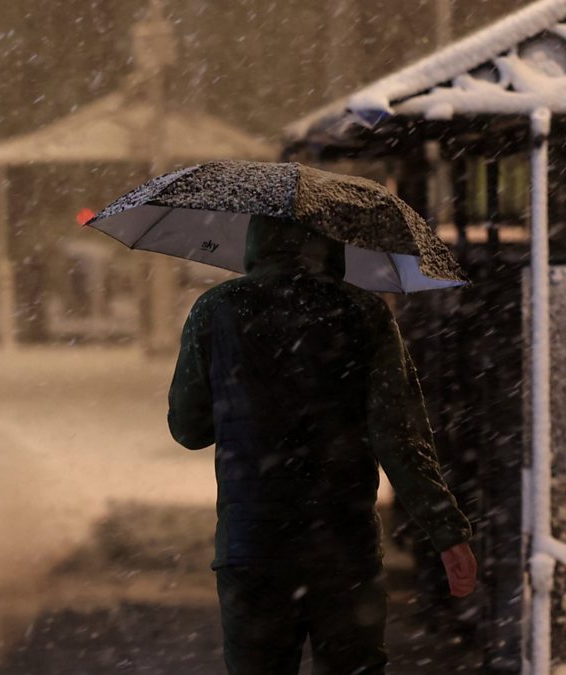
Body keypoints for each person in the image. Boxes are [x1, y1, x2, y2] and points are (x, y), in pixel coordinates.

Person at [168, 215, 477, 675]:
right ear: (334, 243)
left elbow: (189, 429)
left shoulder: (217, 309)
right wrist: (446, 531)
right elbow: (399, 435)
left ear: (256, 241)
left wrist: (244, 400)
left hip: (253, 545)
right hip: (342, 546)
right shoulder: (363, 312)